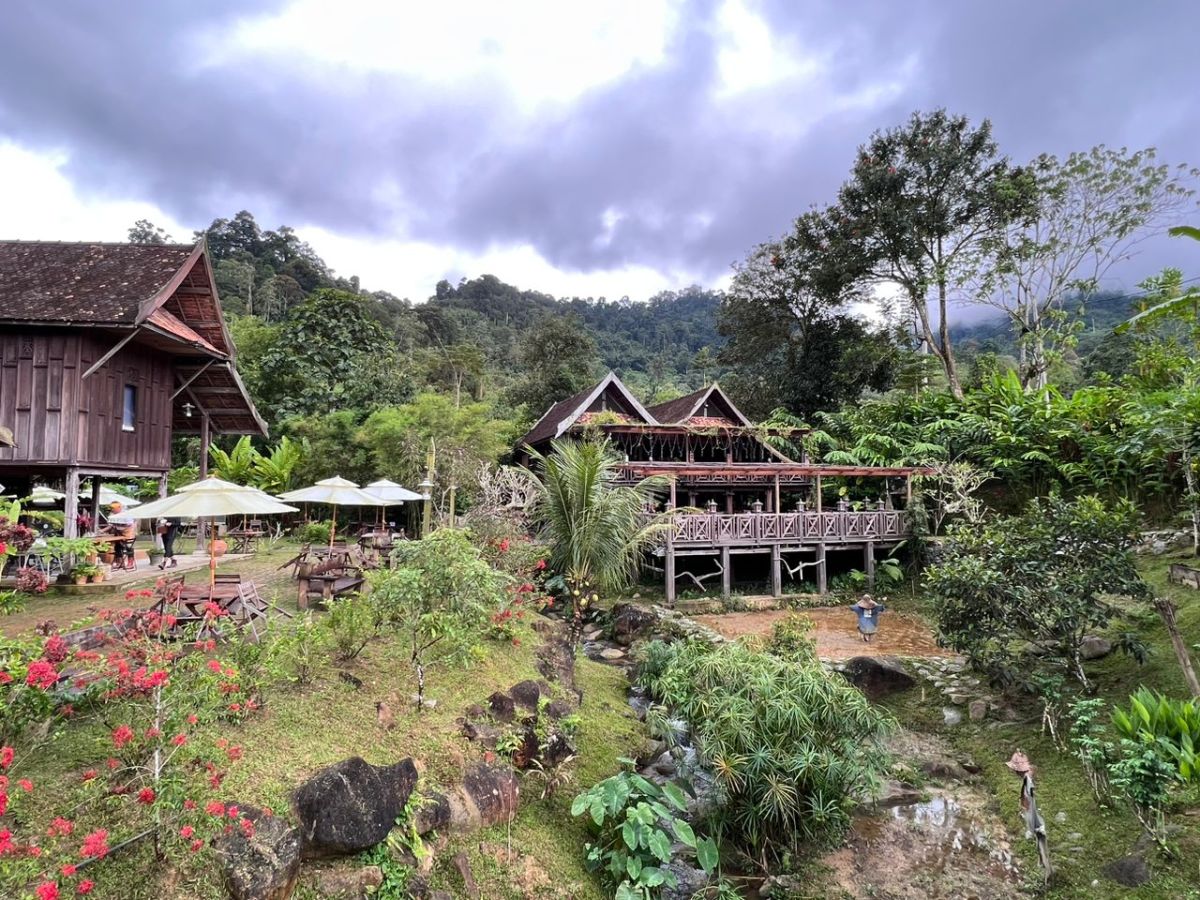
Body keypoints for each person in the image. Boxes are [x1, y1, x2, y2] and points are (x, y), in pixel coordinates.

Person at [104, 501, 136, 570]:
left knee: (129, 547)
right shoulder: (112, 514)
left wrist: (118, 524)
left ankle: (130, 563)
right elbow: (111, 525)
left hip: (128, 532)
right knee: (117, 547)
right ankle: (120, 562)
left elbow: (129, 524)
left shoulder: (126, 514)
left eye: (113, 508)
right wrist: (102, 530)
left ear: (119, 508)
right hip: (118, 533)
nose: (112, 510)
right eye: (111, 508)